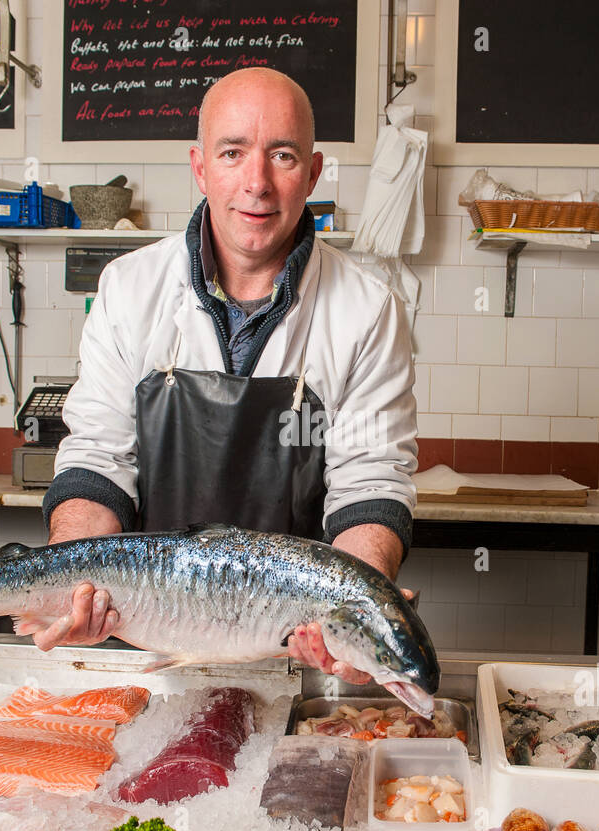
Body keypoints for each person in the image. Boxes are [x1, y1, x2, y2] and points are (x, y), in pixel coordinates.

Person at [38, 68, 418, 684]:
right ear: (200, 167)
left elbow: (370, 484)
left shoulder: (368, 308)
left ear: (314, 173)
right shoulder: (130, 289)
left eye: (283, 156)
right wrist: (69, 584)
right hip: (142, 642)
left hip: (294, 658)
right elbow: (98, 462)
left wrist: (352, 619)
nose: (257, 183)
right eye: (233, 152)